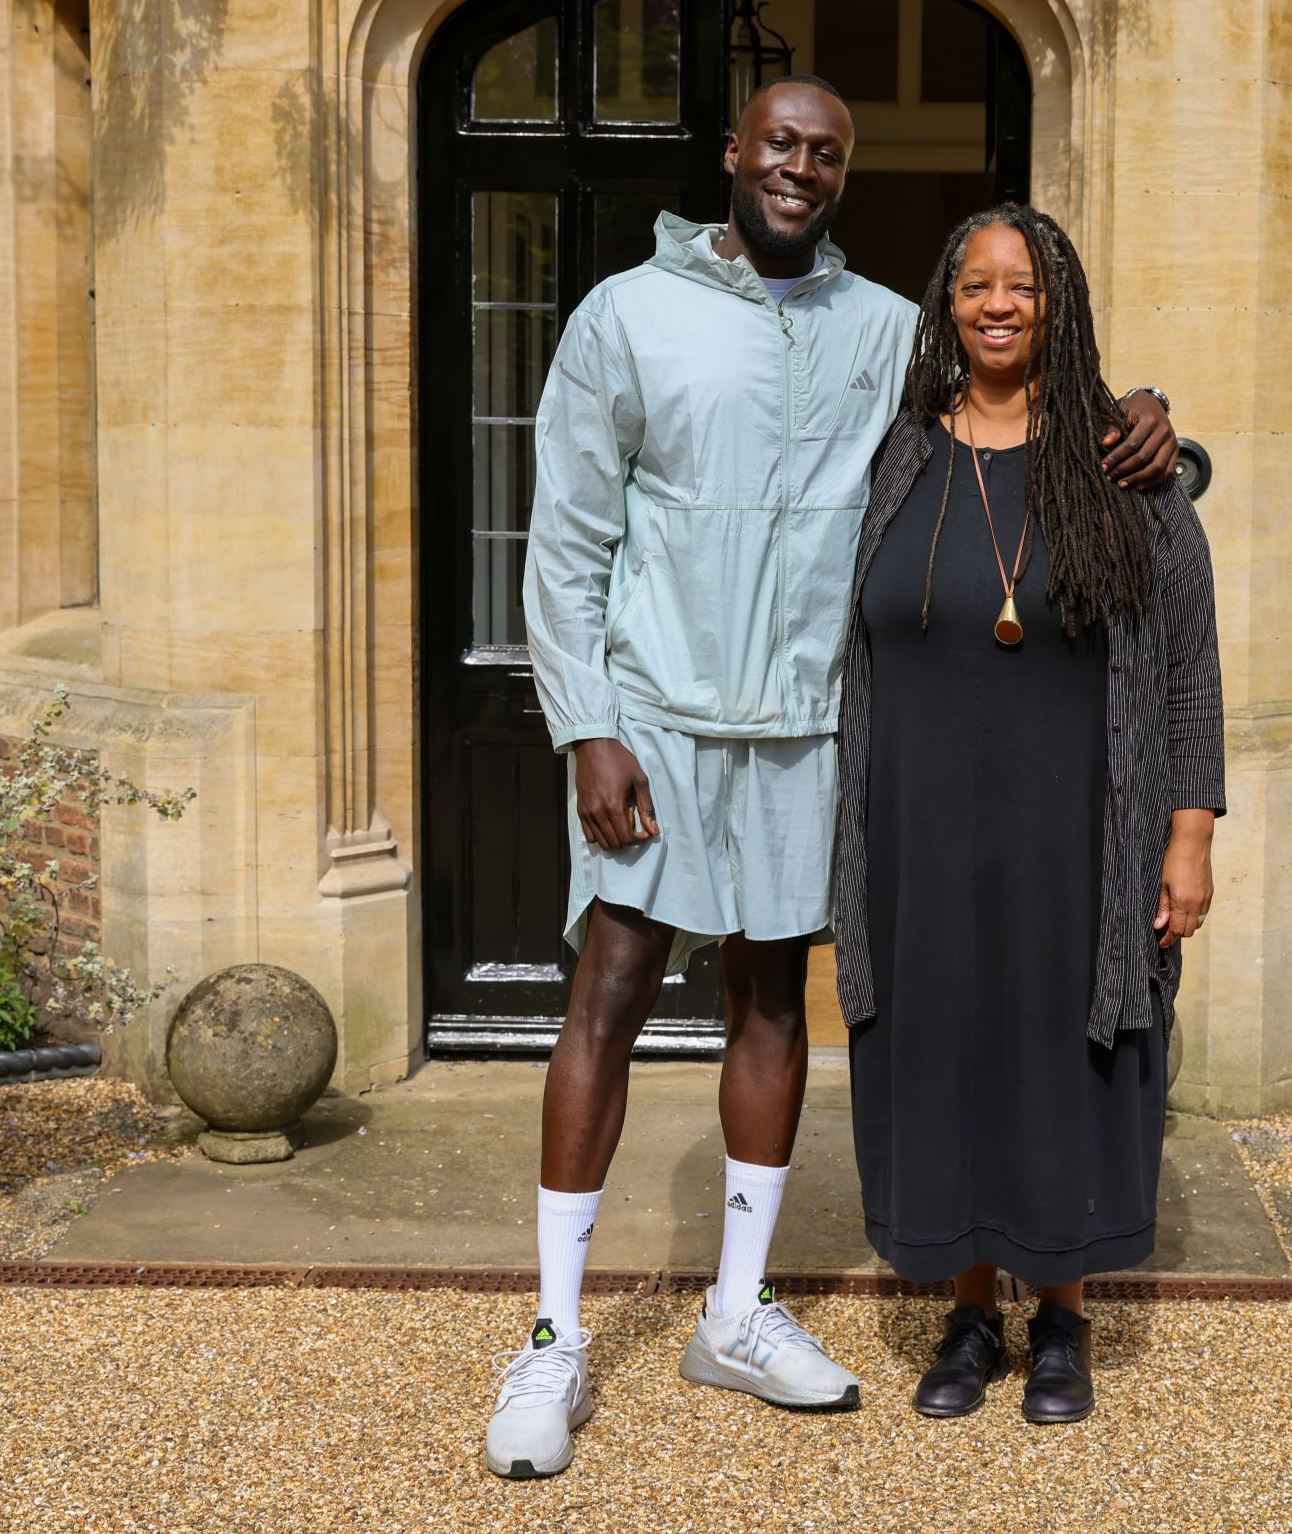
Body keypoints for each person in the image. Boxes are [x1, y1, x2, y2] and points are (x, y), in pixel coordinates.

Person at [486, 76, 1179, 1479]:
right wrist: (586, 727)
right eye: (779, 144)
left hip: (812, 732)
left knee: (769, 1009)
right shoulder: (622, 315)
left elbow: (1017, 407)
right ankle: (551, 1341)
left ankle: (735, 1313)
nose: (799, 167)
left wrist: (1161, 432)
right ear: (733, 155)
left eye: (826, 153)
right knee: (604, 998)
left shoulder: (889, 336)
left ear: (841, 177)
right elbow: (565, 539)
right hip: (658, 719)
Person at [832, 203, 1224, 1424]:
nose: (998, 304)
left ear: (1060, 304)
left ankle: (1059, 1317)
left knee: (1062, 1055)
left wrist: (1188, 832)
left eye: (1024, 286)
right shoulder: (902, 453)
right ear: (944, 305)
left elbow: (1187, 662)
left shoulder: (1124, 461)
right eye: (974, 285)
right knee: (943, 1046)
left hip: (1076, 831)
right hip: (921, 835)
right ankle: (965, 1311)